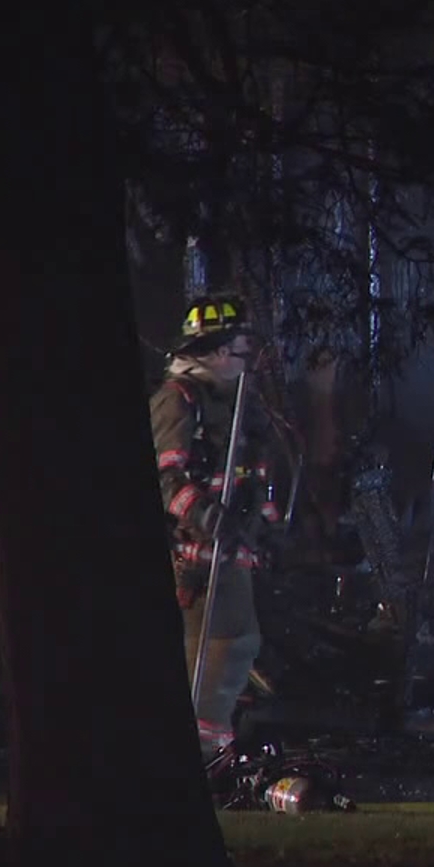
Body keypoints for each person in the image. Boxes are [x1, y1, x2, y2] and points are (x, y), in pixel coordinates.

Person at [151, 294, 281, 765]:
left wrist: (266, 523)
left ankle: (205, 744)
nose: (250, 357)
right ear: (220, 350)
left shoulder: (234, 402)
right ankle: (200, 751)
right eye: (244, 346)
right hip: (197, 555)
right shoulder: (180, 400)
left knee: (236, 643)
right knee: (224, 643)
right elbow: (167, 479)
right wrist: (207, 516)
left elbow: (251, 474)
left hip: (230, 549)